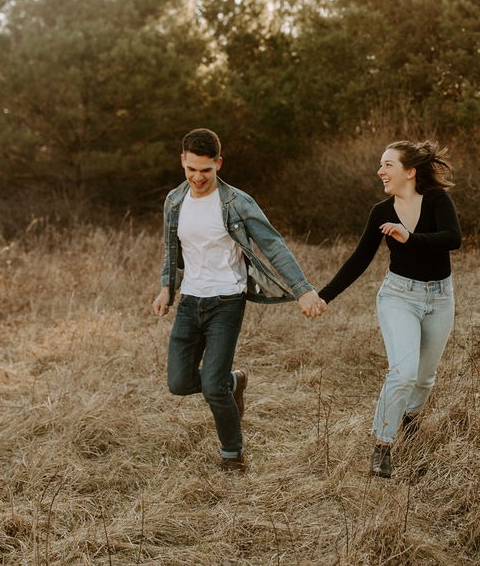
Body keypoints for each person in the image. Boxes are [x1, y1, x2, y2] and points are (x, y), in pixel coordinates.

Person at [152, 128, 324, 472]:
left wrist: (303, 289)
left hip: (226, 301)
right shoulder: (174, 200)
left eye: (206, 170)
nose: (198, 177)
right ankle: (234, 382)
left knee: (212, 388)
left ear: (219, 163)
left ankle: (232, 455)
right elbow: (172, 248)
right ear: (182, 161)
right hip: (190, 301)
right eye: (191, 169)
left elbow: (272, 245)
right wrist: (166, 287)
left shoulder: (237, 203)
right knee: (178, 383)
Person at [317, 140, 461, 478]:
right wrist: (325, 296)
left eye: (388, 165)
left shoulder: (437, 200)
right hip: (399, 296)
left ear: (409, 171)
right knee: (403, 372)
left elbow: (452, 238)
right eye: (381, 165)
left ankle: (410, 419)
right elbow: (359, 260)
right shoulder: (381, 212)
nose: (380, 171)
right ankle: (382, 445)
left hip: (440, 298)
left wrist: (409, 237)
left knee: (424, 378)